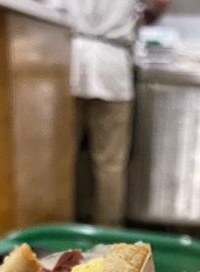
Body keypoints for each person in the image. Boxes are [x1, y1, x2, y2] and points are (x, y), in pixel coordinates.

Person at [65, 0, 169, 226]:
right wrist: (143, 17)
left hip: (68, 60)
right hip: (111, 65)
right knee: (110, 165)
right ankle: (108, 236)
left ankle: (58, 230)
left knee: (62, 159)